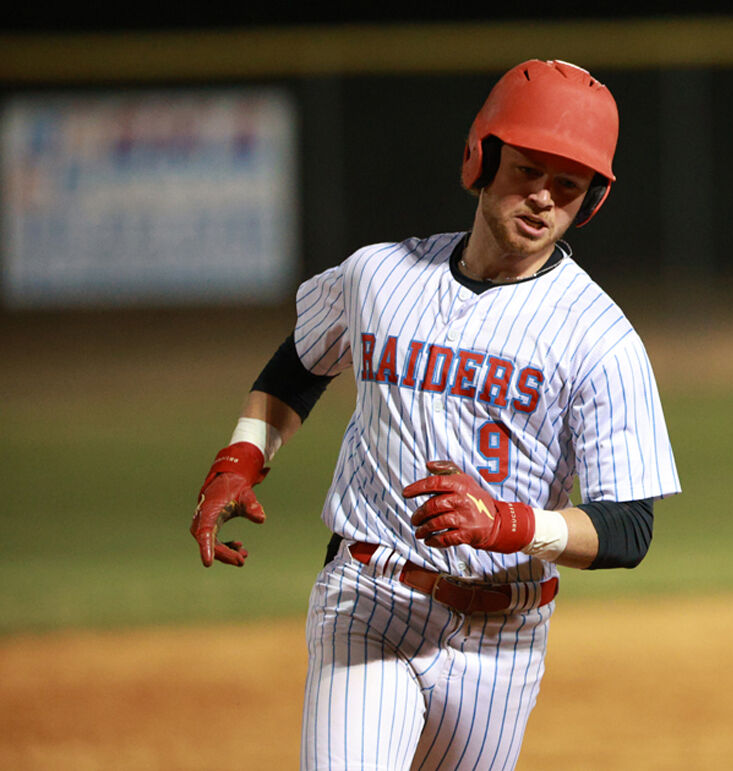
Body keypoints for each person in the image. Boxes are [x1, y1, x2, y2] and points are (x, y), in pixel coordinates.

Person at [189, 59, 681, 770]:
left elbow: (630, 526)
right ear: (480, 158)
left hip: (505, 637)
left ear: (589, 202)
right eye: (527, 169)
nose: (543, 197)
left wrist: (507, 523)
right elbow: (299, 364)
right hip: (371, 602)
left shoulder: (601, 340)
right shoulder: (379, 277)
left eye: (567, 185)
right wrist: (239, 460)